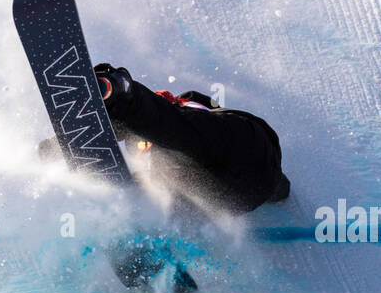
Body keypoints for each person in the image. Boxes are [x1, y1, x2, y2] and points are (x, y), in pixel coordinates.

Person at [91, 63, 290, 214]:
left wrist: (124, 99)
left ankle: (117, 90)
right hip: (241, 195)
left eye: (143, 144)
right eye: (142, 147)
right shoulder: (167, 170)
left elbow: (169, 122)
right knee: (164, 193)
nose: (144, 148)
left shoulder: (181, 110)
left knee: (170, 130)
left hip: (241, 140)